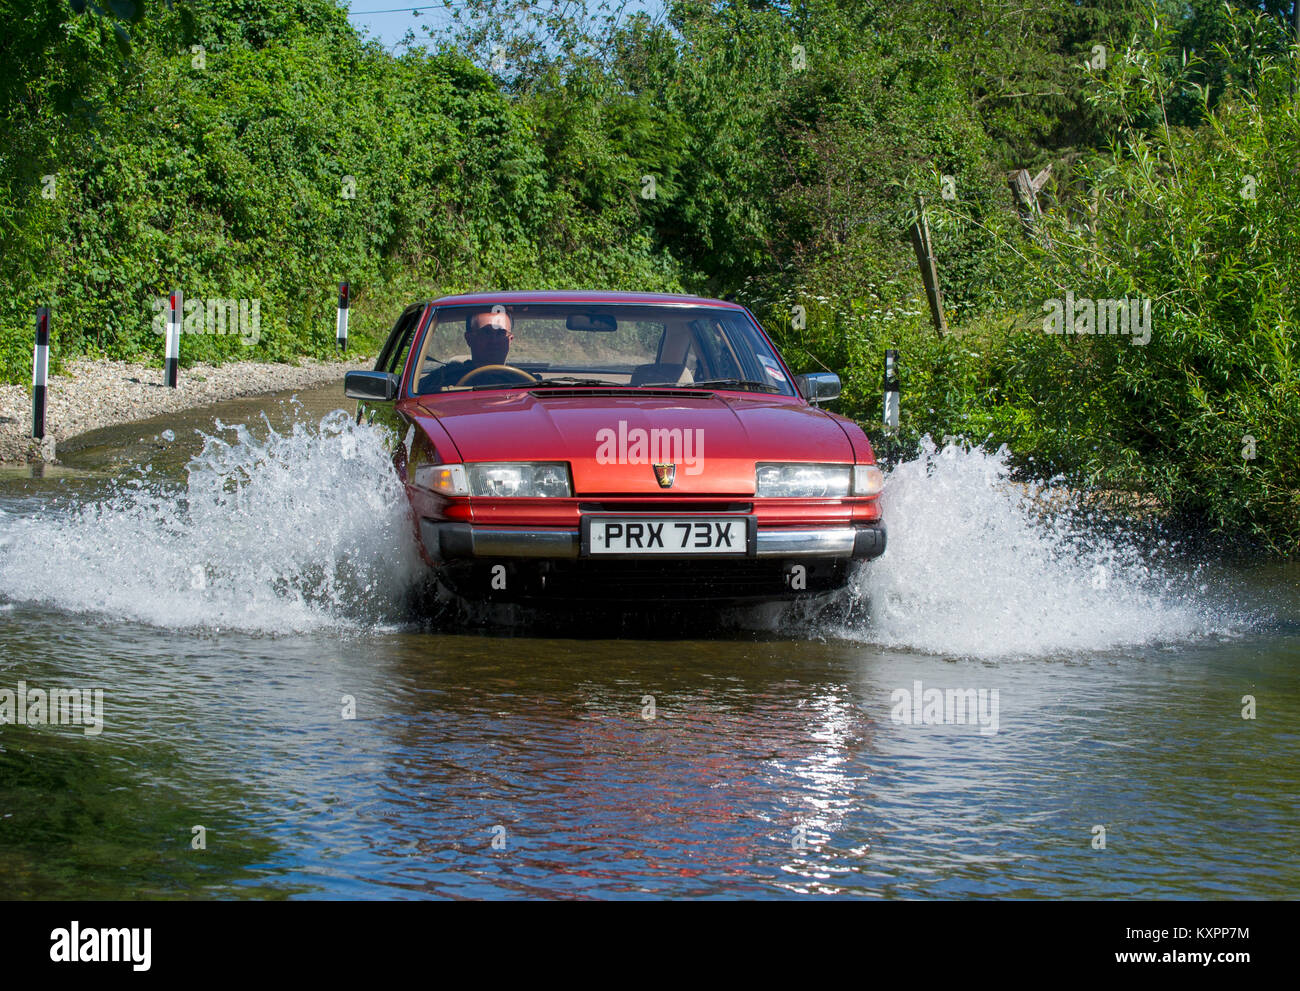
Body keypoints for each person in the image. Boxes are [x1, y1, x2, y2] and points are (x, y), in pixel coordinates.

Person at [420, 308, 526, 391]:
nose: (494, 341)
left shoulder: (529, 382)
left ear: (510, 340)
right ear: (469, 338)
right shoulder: (441, 380)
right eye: (486, 333)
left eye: (500, 333)